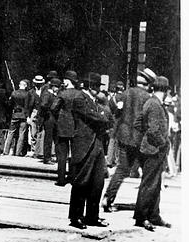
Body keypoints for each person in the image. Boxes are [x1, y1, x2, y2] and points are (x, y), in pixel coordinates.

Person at [101, 67, 157, 211]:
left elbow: (111, 105)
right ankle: (146, 206)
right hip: (139, 140)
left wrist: (119, 117)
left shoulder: (125, 93)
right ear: (149, 84)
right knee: (148, 171)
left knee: (121, 169)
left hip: (123, 137)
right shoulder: (148, 99)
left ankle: (108, 197)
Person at [67, 71, 109, 230]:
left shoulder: (95, 100)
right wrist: (103, 118)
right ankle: (75, 216)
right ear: (89, 86)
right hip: (84, 144)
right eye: (96, 86)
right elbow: (95, 117)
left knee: (97, 182)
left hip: (96, 144)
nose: (98, 89)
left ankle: (92, 216)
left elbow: (106, 117)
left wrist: (104, 116)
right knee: (82, 181)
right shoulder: (80, 98)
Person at [134, 76, 172, 231]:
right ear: (164, 90)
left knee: (155, 184)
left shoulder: (152, 102)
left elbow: (138, 123)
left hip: (152, 149)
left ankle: (154, 215)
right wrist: (163, 143)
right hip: (154, 150)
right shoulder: (155, 105)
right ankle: (141, 217)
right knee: (149, 184)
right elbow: (153, 130)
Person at [51, 71, 80, 186]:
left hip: (62, 127)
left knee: (62, 154)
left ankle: (61, 179)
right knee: (74, 153)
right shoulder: (79, 94)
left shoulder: (62, 94)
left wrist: (59, 117)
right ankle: (73, 178)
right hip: (75, 126)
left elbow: (53, 108)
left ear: (68, 81)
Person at [3, 79, 31, 156]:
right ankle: (18, 152)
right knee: (21, 134)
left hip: (15, 114)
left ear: (19, 85)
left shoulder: (14, 93)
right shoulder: (27, 94)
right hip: (23, 115)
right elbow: (26, 106)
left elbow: (10, 104)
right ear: (25, 86)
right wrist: (27, 115)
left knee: (10, 133)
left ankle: (6, 151)